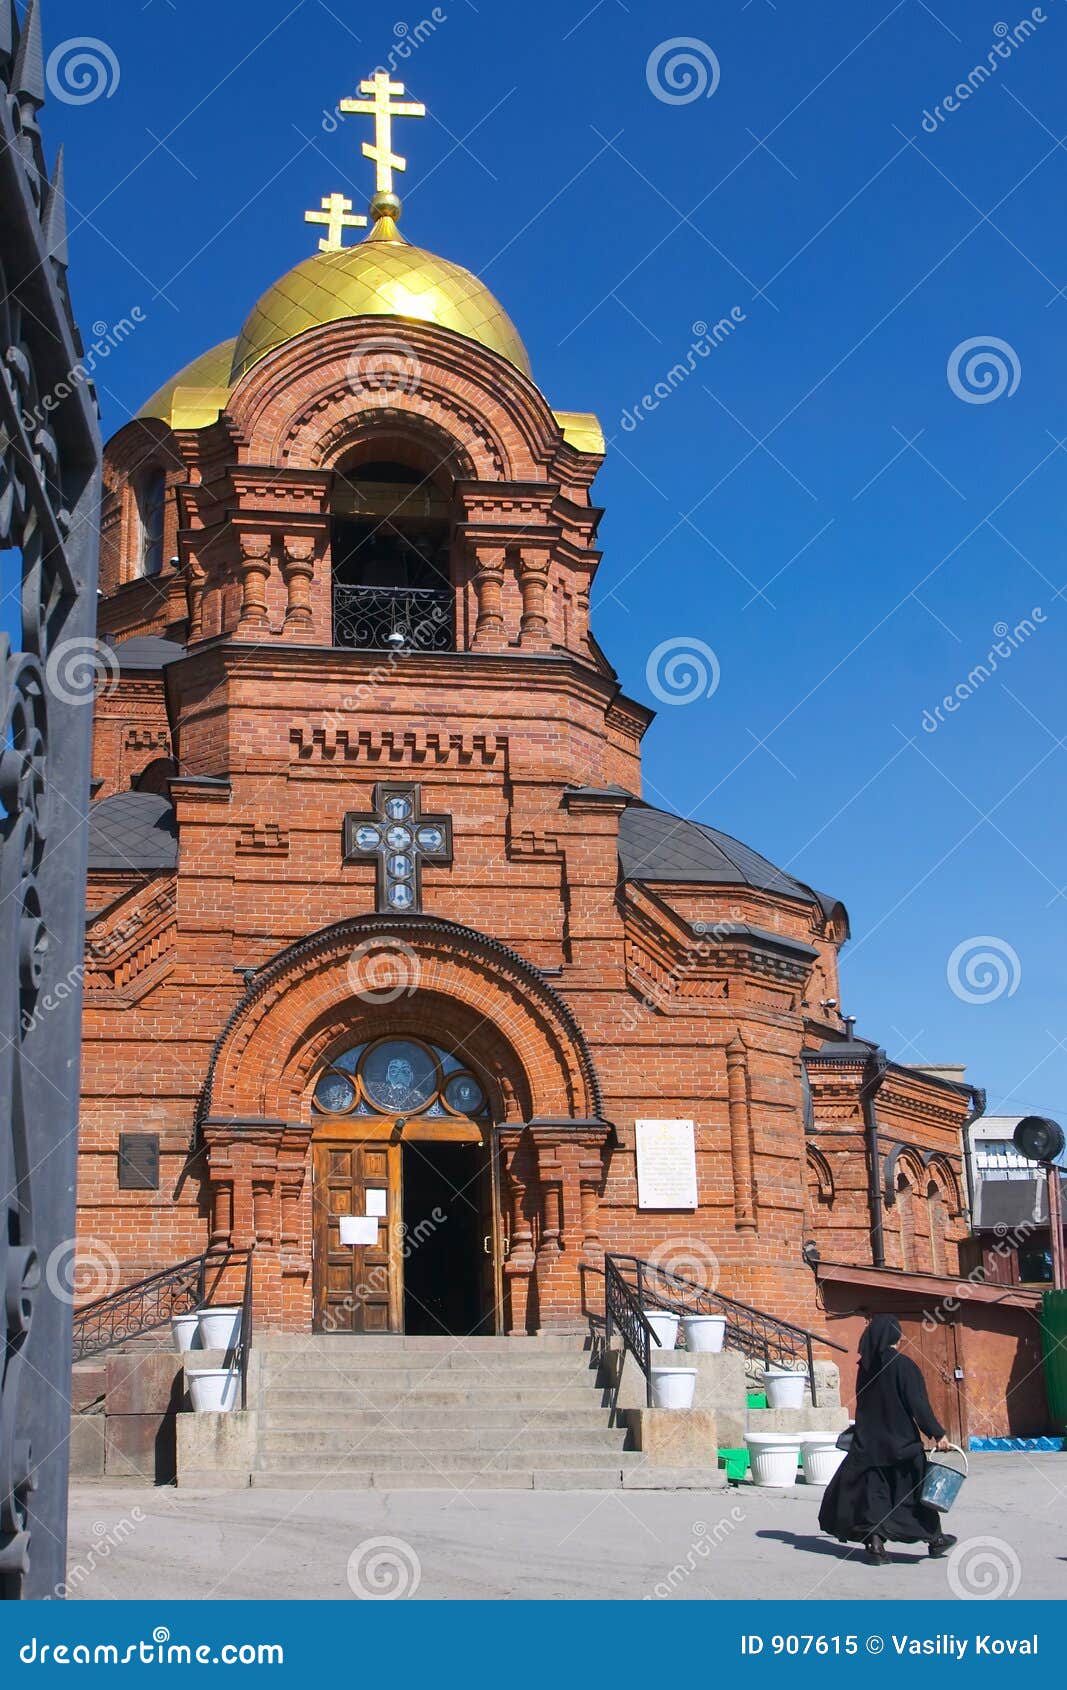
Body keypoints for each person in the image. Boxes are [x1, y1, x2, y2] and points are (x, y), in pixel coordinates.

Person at [819, 1313, 958, 1564]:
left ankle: (875, 1546)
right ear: (895, 1336)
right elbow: (918, 1405)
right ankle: (934, 1539)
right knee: (913, 1492)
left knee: (874, 1496)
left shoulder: (866, 1368)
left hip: (869, 1445)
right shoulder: (904, 1366)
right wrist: (937, 1434)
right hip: (901, 1445)